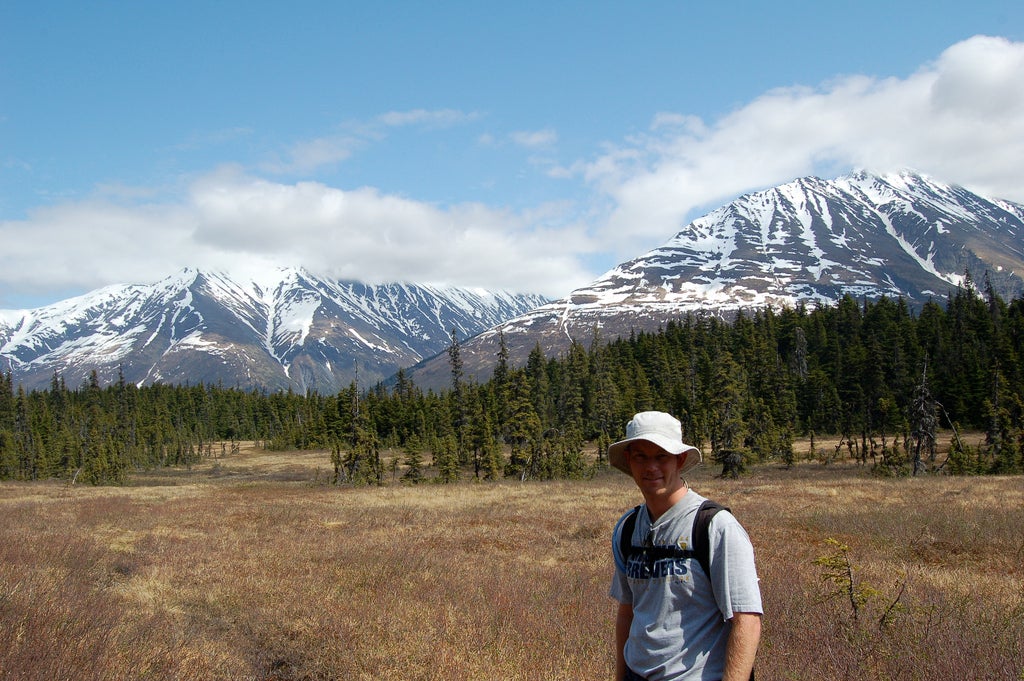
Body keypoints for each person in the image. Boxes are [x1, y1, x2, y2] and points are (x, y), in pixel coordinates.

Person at [609, 411, 762, 681]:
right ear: (629, 461)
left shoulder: (715, 527)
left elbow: (746, 621)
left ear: (679, 460)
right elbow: (627, 611)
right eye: (641, 456)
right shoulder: (628, 529)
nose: (650, 467)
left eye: (661, 456)